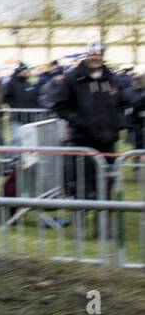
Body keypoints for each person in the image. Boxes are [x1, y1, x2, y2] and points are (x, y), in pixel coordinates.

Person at [51, 41, 121, 199]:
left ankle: (105, 214)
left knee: (108, 179)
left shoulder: (110, 78)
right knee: (85, 182)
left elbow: (121, 102)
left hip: (108, 138)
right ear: (87, 54)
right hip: (84, 139)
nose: (94, 57)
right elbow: (60, 105)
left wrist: (119, 122)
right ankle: (85, 210)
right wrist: (80, 121)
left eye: (98, 54)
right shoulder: (74, 78)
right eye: (92, 54)